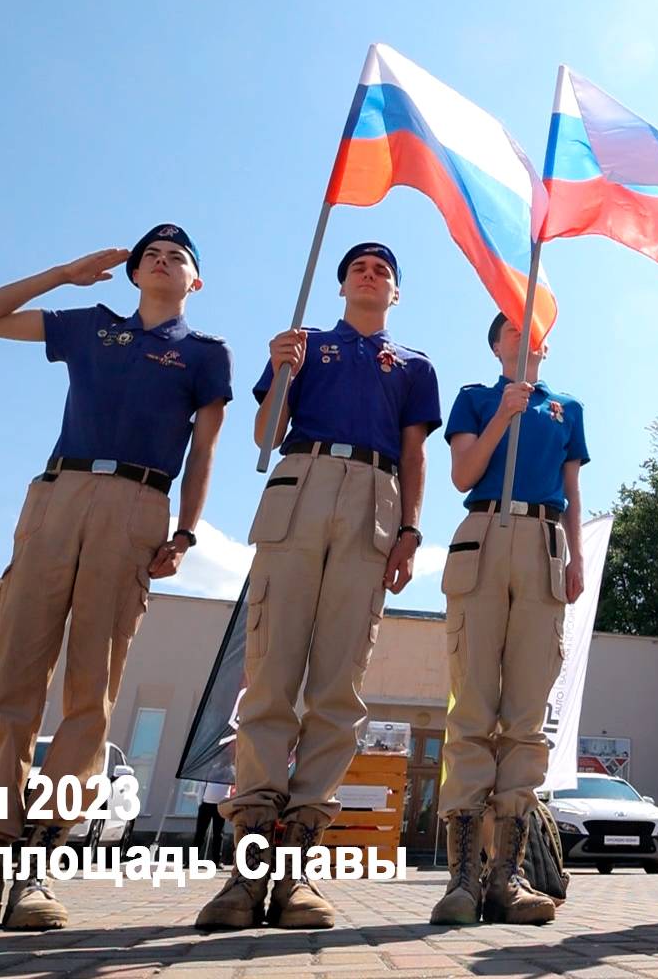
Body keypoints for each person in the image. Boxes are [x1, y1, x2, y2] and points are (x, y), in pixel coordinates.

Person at [0, 226, 231, 933]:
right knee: (14, 678)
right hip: (56, 495)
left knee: (90, 689)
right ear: (134, 274)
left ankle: (37, 866)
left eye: (178, 259)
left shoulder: (206, 354)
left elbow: (204, 451)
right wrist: (61, 274)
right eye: (151, 257)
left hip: (139, 503)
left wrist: (187, 531)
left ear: (195, 283)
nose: (163, 263)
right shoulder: (89, 328)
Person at [197, 242, 438, 931]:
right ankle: (247, 872)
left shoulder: (413, 365)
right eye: (360, 267)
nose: (372, 274)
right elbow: (265, 435)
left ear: (395, 293)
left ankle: (295, 867)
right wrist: (280, 372)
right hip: (300, 485)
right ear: (341, 286)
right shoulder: (303, 346)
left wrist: (412, 530)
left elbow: (415, 451)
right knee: (271, 676)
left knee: (338, 684)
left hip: (375, 500)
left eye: (384, 270)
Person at [430, 311, 589, 927]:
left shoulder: (567, 408)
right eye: (514, 329)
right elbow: (464, 474)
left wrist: (574, 556)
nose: (526, 336)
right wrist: (504, 413)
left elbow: (571, 489)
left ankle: (509, 875)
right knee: (472, 706)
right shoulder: (475, 398)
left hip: (545, 542)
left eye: (535, 328)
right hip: (483, 532)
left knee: (526, 717)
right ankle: (462, 878)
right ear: (497, 344)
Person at [194, 779, 232, 865]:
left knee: (218, 835)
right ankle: (191, 860)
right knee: (200, 834)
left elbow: (233, 787)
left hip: (221, 805)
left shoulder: (230, 772)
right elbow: (201, 787)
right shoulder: (210, 772)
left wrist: (228, 805)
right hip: (206, 804)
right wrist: (200, 803)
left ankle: (216, 861)